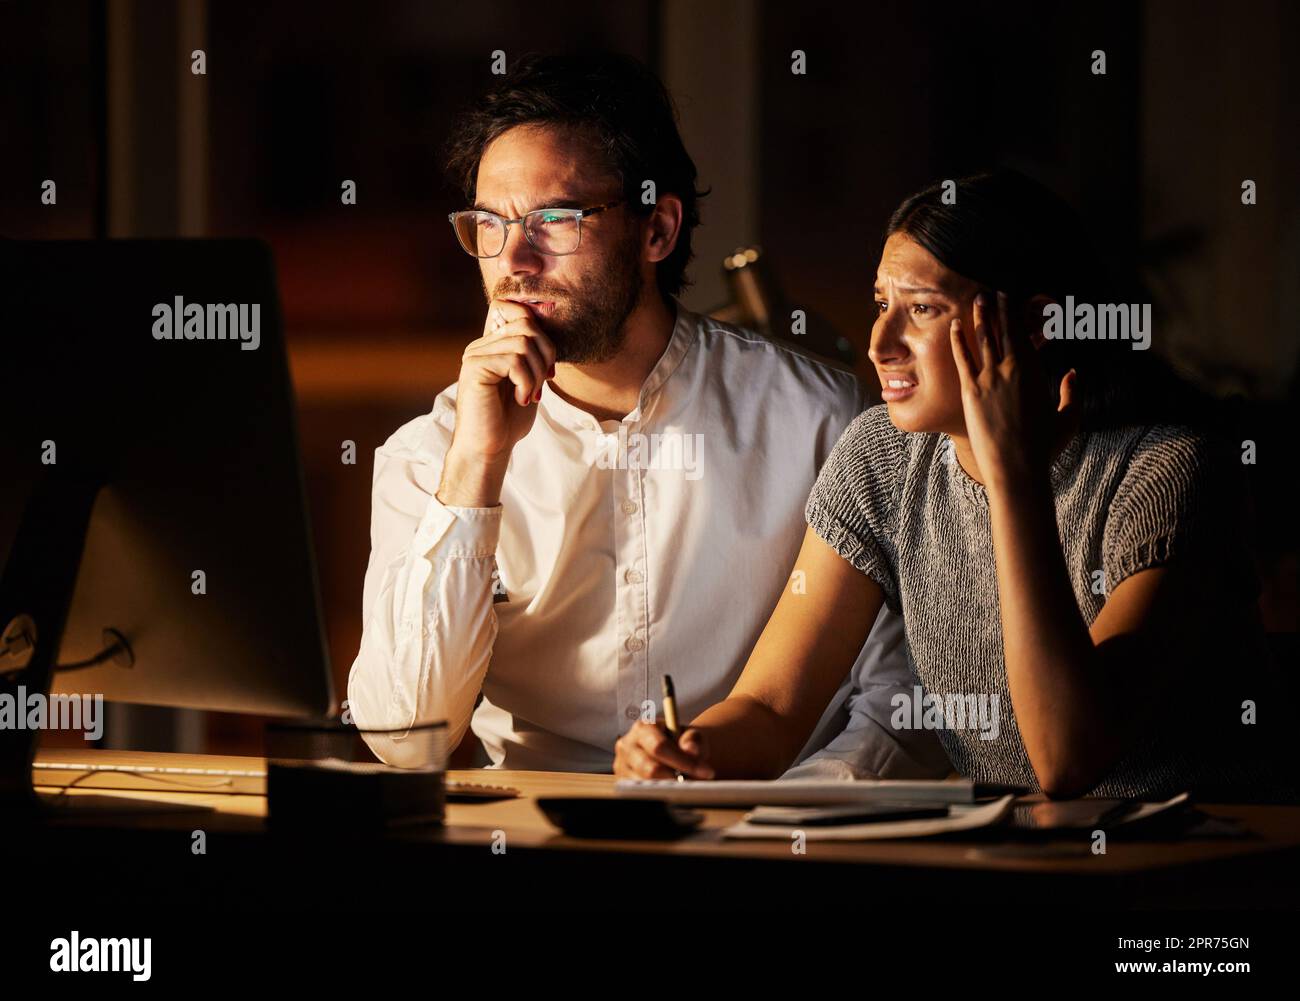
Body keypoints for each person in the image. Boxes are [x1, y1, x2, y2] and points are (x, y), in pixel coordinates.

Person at [345, 51, 942, 777]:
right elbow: (407, 739)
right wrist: (477, 466)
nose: (515, 261)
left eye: (554, 220)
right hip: (530, 826)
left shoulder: (822, 420)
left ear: (657, 228)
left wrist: (783, 816)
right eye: (489, 225)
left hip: (766, 821)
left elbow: (901, 701)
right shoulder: (431, 453)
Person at [616, 170, 1290, 801]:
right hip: (1016, 849)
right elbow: (771, 708)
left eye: (923, 309)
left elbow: (1066, 757)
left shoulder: (1168, 471)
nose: (881, 341)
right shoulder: (881, 457)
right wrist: (688, 749)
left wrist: (1013, 478)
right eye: (882, 303)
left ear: (1037, 325)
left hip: (1201, 853)